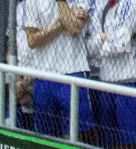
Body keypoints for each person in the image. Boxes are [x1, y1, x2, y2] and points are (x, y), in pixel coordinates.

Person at [20, 0, 96, 140]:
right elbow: (32, 40)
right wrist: (62, 23)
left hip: (73, 71)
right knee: (46, 137)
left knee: (75, 136)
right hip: (44, 74)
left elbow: (74, 29)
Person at [85, 0, 136, 149]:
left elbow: (119, 45)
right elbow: (88, 48)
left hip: (132, 81)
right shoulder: (104, 7)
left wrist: (102, 41)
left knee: (133, 144)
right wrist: (106, 39)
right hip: (106, 81)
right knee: (109, 143)